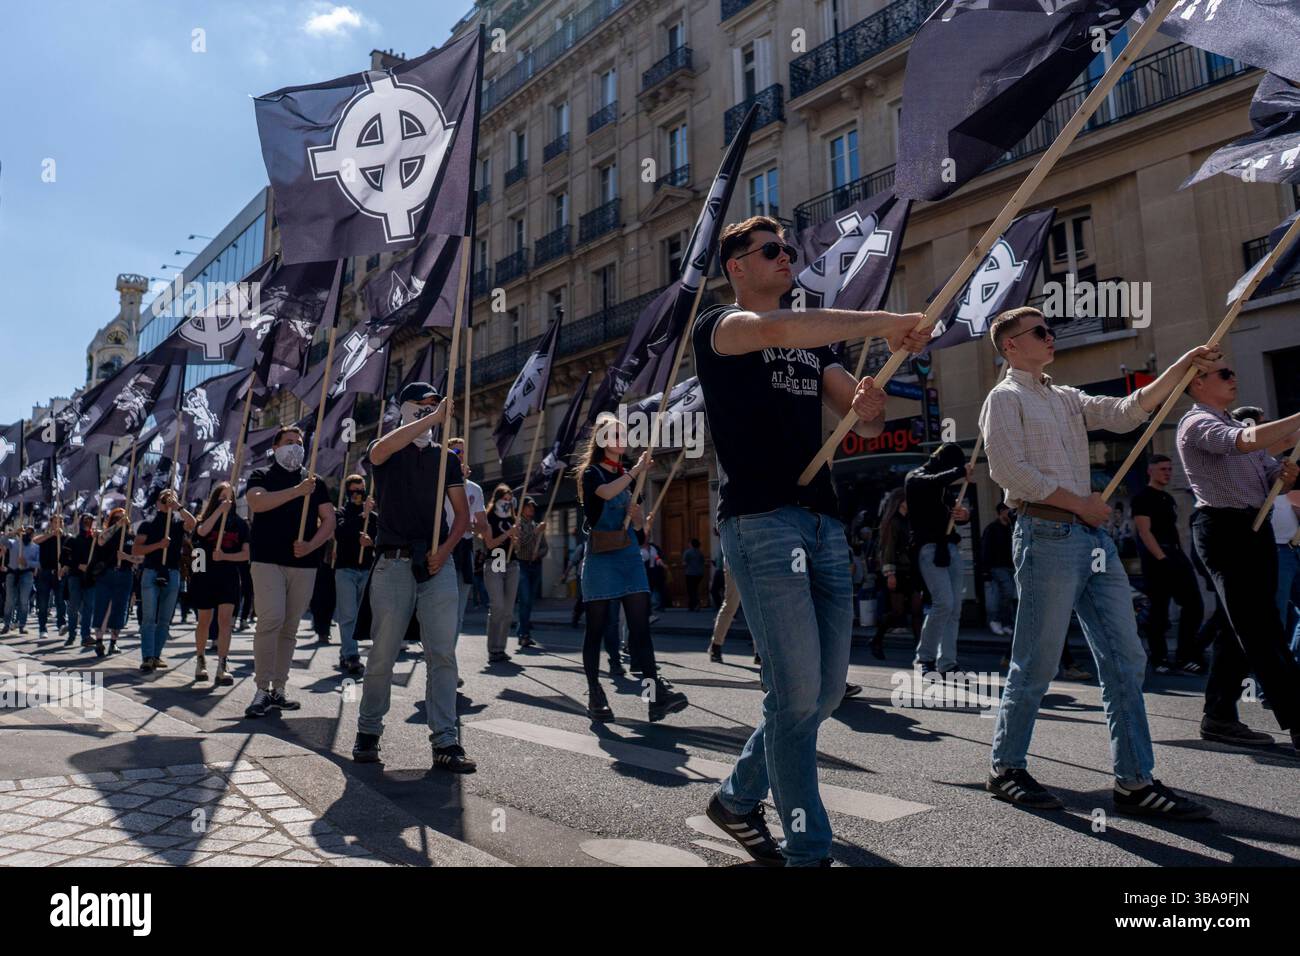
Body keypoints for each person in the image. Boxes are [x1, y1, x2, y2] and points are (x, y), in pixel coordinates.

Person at [692, 214, 929, 866]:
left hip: (822, 521)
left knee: (821, 695)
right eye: (771, 250)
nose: (785, 257)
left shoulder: (817, 345)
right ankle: (809, 849)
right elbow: (776, 330)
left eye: (788, 249)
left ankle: (737, 798)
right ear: (737, 266)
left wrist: (869, 397)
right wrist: (883, 321)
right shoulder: (721, 328)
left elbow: (862, 419)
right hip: (762, 520)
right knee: (793, 696)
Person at [980, 305, 1215, 818]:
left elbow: (1127, 411)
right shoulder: (1005, 397)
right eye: (1040, 331)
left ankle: (1134, 780)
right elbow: (1007, 470)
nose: (1051, 336)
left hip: (1091, 539)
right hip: (1045, 532)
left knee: (1126, 659)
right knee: (1036, 661)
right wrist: (1078, 502)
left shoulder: (1065, 397)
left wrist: (1180, 367)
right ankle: (1007, 767)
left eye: (1050, 329)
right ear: (1011, 346)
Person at [351, 382, 474, 772]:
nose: (431, 410)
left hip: (436, 564)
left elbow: (462, 517)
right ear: (404, 409)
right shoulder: (386, 450)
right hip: (393, 562)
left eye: (436, 405)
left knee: (441, 653)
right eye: (422, 405)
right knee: (383, 654)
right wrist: (431, 420)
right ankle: (368, 731)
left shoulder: (446, 460)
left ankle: (445, 740)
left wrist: (445, 550)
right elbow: (379, 451)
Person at [1176, 374, 1300, 754]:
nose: (1232, 379)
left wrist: (1282, 473)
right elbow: (1239, 444)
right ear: (1198, 385)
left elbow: (1263, 469)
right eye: (1223, 375)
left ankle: (1219, 716)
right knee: (1261, 628)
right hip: (1222, 528)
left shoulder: (1237, 421)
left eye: (1233, 373)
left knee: (1239, 628)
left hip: (1253, 527)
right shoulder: (1196, 422)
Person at [575, 411, 686, 723]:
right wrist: (635, 473)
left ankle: (655, 696)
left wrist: (639, 523)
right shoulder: (592, 473)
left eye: (624, 434)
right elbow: (606, 495)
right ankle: (595, 691)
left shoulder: (626, 475)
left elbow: (637, 536)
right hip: (600, 557)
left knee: (640, 629)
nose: (621, 438)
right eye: (615, 433)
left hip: (626, 556)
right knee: (596, 629)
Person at [242, 425, 336, 718]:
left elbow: (329, 520)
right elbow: (257, 502)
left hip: (303, 564)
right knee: (271, 619)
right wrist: (297, 491)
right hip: (267, 559)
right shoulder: (262, 475)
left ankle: (279, 689)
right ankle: (261, 689)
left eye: (299, 442)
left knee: (290, 627)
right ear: (275, 447)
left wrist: (311, 546)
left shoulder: (315, 482)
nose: (294, 446)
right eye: (288, 442)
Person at [1131, 454, 1205, 675]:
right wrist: (1161, 558)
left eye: (1170, 469)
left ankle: (1185, 656)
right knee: (1159, 611)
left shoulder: (1168, 499)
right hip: (1157, 559)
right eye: (1163, 469)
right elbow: (1144, 532)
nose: (1167, 473)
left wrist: (1177, 557)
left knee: (1194, 605)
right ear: (1150, 471)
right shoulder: (1142, 498)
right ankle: (1159, 658)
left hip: (1176, 554)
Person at [905, 443, 972, 678]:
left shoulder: (942, 488)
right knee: (943, 602)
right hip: (929, 547)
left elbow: (955, 513)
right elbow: (930, 482)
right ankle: (925, 657)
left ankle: (948, 662)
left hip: (949, 546)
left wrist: (963, 516)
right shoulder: (915, 478)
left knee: (954, 608)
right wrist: (959, 471)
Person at [189, 483, 249, 686]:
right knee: (204, 620)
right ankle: (200, 659)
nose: (226, 501)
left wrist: (225, 556)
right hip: (205, 576)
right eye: (222, 497)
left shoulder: (240, 524)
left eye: (229, 497)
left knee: (225, 622)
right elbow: (202, 532)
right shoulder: (205, 520)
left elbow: (246, 553)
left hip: (228, 576)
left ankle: (223, 664)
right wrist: (218, 512)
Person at [132, 489, 195, 673]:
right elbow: (136, 549)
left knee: (165, 620)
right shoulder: (148, 524)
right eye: (164, 499)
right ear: (157, 503)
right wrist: (158, 545)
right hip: (151, 572)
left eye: (171, 498)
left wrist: (179, 507)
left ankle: (156, 655)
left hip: (172, 573)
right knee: (149, 617)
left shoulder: (177, 523)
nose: (167, 501)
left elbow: (192, 523)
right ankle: (147, 657)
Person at [333, 474, 373, 677]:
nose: (358, 495)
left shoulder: (372, 514)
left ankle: (345, 651)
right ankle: (352, 656)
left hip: (365, 569)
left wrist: (370, 541)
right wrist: (361, 518)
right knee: (347, 615)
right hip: (345, 569)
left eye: (361, 490)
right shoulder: (342, 512)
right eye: (354, 491)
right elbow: (340, 532)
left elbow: (380, 535)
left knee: (359, 615)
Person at [875, 488, 922, 661]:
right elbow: (888, 548)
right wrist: (890, 574)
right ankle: (877, 638)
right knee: (898, 612)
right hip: (899, 571)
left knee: (917, 610)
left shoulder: (911, 519)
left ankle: (920, 653)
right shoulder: (893, 521)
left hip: (913, 571)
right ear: (901, 501)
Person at [92, 508, 139, 659]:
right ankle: (99, 641)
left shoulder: (131, 537)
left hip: (125, 574)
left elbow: (140, 558)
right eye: (116, 518)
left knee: (120, 608)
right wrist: (117, 525)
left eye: (122, 517)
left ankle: (113, 642)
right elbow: (100, 541)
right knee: (101, 606)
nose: (120, 520)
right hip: (106, 574)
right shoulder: (107, 534)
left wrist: (127, 557)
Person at [481, 484, 520, 663]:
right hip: (496, 560)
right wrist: (507, 535)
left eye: (509, 498)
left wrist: (515, 539)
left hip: (512, 563)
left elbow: (517, 546)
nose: (507, 501)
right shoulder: (489, 517)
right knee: (497, 606)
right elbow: (490, 544)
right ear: (497, 499)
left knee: (508, 610)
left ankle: (501, 648)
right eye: (504, 497)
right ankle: (493, 649)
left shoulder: (513, 518)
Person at [513, 496, 548, 649]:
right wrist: (535, 532)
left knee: (529, 602)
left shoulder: (536, 525)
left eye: (533, 507)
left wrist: (539, 553)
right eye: (529, 507)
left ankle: (523, 630)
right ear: (522, 508)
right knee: (525, 600)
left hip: (535, 565)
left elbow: (545, 546)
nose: (532, 509)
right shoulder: (518, 524)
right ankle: (524, 635)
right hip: (522, 565)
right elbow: (519, 544)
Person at [981, 503, 1016, 639]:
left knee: (1007, 594)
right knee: (1006, 591)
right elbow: (985, 549)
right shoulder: (991, 529)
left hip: (1010, 566)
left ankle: (1006, 622)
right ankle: (996, 620)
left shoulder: (1011, 528)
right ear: (1002, 512)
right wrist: (985, 570)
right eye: (1009, 511)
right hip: (997, 566)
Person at [62, 514, 97, 648]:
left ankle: (86, 636)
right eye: (85, 521)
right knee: (73, 607)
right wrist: (77, 565)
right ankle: (72, 634)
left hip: (90, 578)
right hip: (75, 577)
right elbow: (64, 558)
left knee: (88, 608)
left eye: (90, 521)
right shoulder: (72, 540)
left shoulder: (94, 540)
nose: (87, 524)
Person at [33, 516, 68, 637]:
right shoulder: (46, 537)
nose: (58, 524)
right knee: (43, 602)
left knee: (60, 601)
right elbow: (35, 541)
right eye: (56, 522)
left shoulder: (66, 538)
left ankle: (61, 625)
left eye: (61, 521)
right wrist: (51, 534)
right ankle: (42, 628)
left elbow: (70, 555)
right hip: (45, 573)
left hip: (60, 572)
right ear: (51, 523)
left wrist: (64, 568)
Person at [3, 525, 39, 635]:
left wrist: (27, 562)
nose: (28, 534)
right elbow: (2, 540)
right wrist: (13, 532)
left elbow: (39, 563)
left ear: (33, 535)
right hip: (12, 573)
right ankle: (6, 624)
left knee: (24, 601)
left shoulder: (36, 547)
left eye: (30, 532)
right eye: (26, 531)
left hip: (26, 574)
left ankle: (22, 625)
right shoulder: (13, 543)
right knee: (9, 601)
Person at [682, 538, 706, 611]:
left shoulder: (688, 552)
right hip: (699, 573)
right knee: (695, 589)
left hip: (690, 573)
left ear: (691, 544)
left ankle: (693, 605)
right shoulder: (700, 552)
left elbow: (684, 562)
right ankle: (695, 604)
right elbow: (703, 562)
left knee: (691, 590)